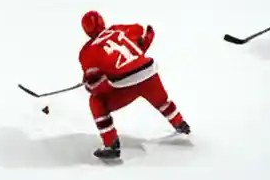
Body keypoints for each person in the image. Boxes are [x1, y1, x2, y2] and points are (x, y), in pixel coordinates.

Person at [78, 10, 188, 160]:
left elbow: (94, 84)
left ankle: (111, 144)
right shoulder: (118, 29)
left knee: (96, 101)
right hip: (149, 72)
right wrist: (148, 36)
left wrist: (89, 84)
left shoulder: (86, 52)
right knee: (162, 102)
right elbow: (140, 40)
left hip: (125, 84)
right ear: (102, 21)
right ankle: (180, 124)